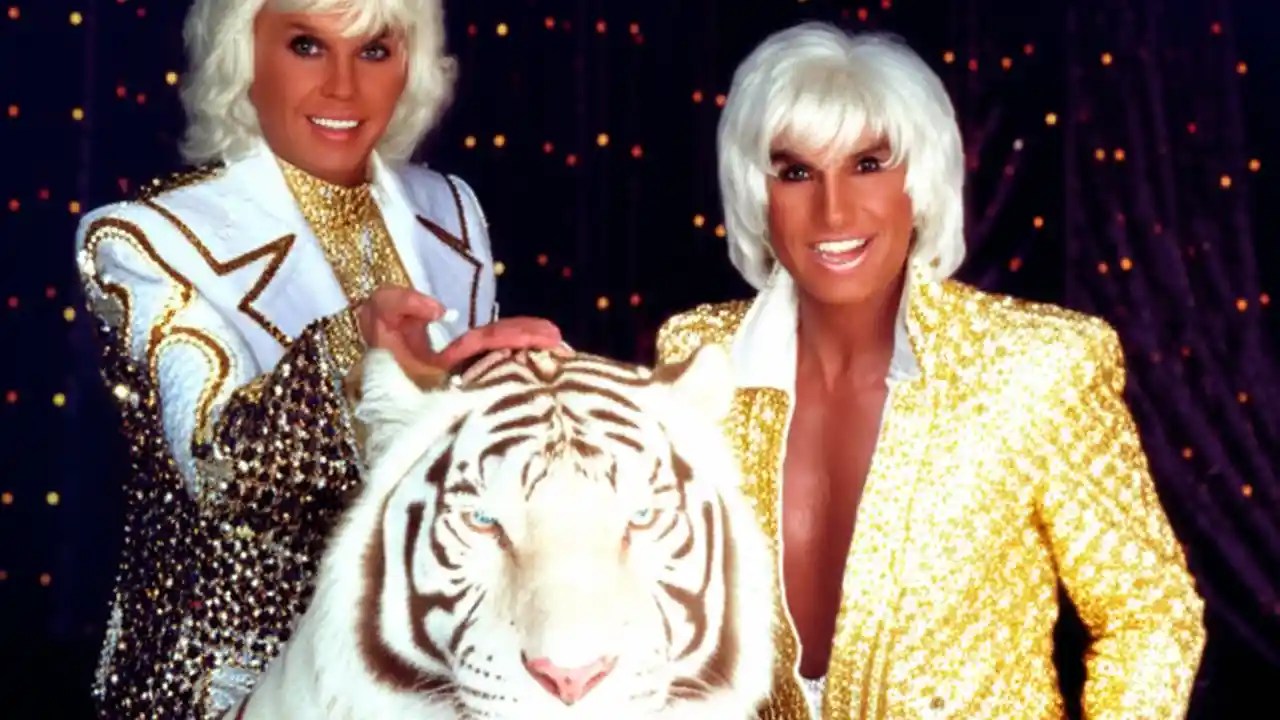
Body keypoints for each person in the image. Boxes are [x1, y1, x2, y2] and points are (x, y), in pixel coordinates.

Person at [657, 22, 1205, 719]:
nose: (833, 210)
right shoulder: (702, 360)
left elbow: (1151, 613)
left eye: (868, 164)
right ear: (755, 193)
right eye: (796, 171)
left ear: (921, 181)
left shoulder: (1036, 366)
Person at [74, 0, 562, 717]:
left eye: (373, 51)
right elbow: (219, 470)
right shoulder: (147, 238)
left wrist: (511, 382)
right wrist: (349, 353)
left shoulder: (451, 210)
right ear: (244, 54)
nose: (342, 87)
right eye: (307, 45)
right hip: (230, 683)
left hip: (427, 673)